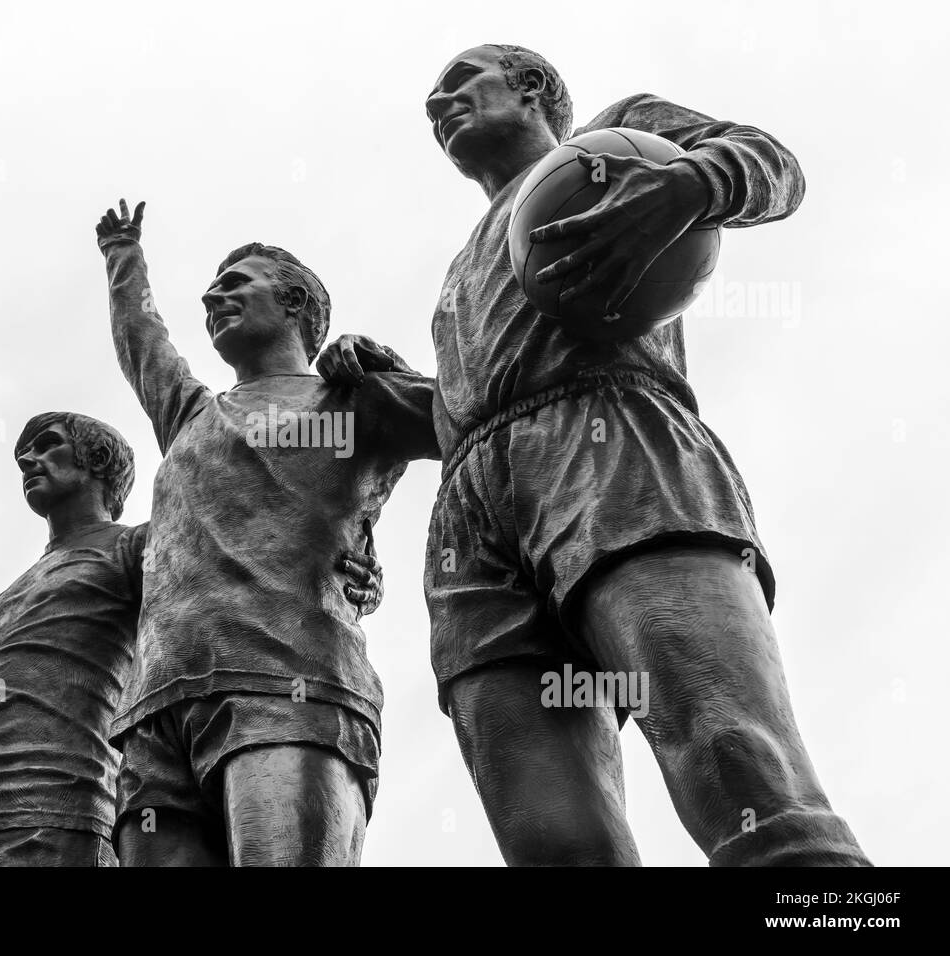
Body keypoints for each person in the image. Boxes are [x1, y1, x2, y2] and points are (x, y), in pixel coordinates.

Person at [318, 44, 870, 866]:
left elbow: (772, 163)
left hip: (614, 455)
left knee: (734, 757)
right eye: (431, 106)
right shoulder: (459, 272)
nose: (439, 109)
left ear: (532, 88)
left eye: (460, 87)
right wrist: (375, 385)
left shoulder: (618, 142)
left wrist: (693, 183)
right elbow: (461, 411)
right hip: (474, 525)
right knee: (553, 843)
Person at [96, 199, 438, 865]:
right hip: (155, 713)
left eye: (235, 284)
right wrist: (123, 256)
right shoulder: (192, 414)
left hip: (287, 685)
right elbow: (143, 340)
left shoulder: (348, 397)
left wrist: (391, 373)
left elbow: (473, 414)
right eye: (211, 288)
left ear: (293, 302)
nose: (212, 295)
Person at [0, 412, 381, 866]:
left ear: (99, 462)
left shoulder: (135, 548)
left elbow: (260, 553)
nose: (28, 461)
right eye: (23, 453)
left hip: (50, 810)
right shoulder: (7, 594)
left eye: (48, 446)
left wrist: (356, 571)